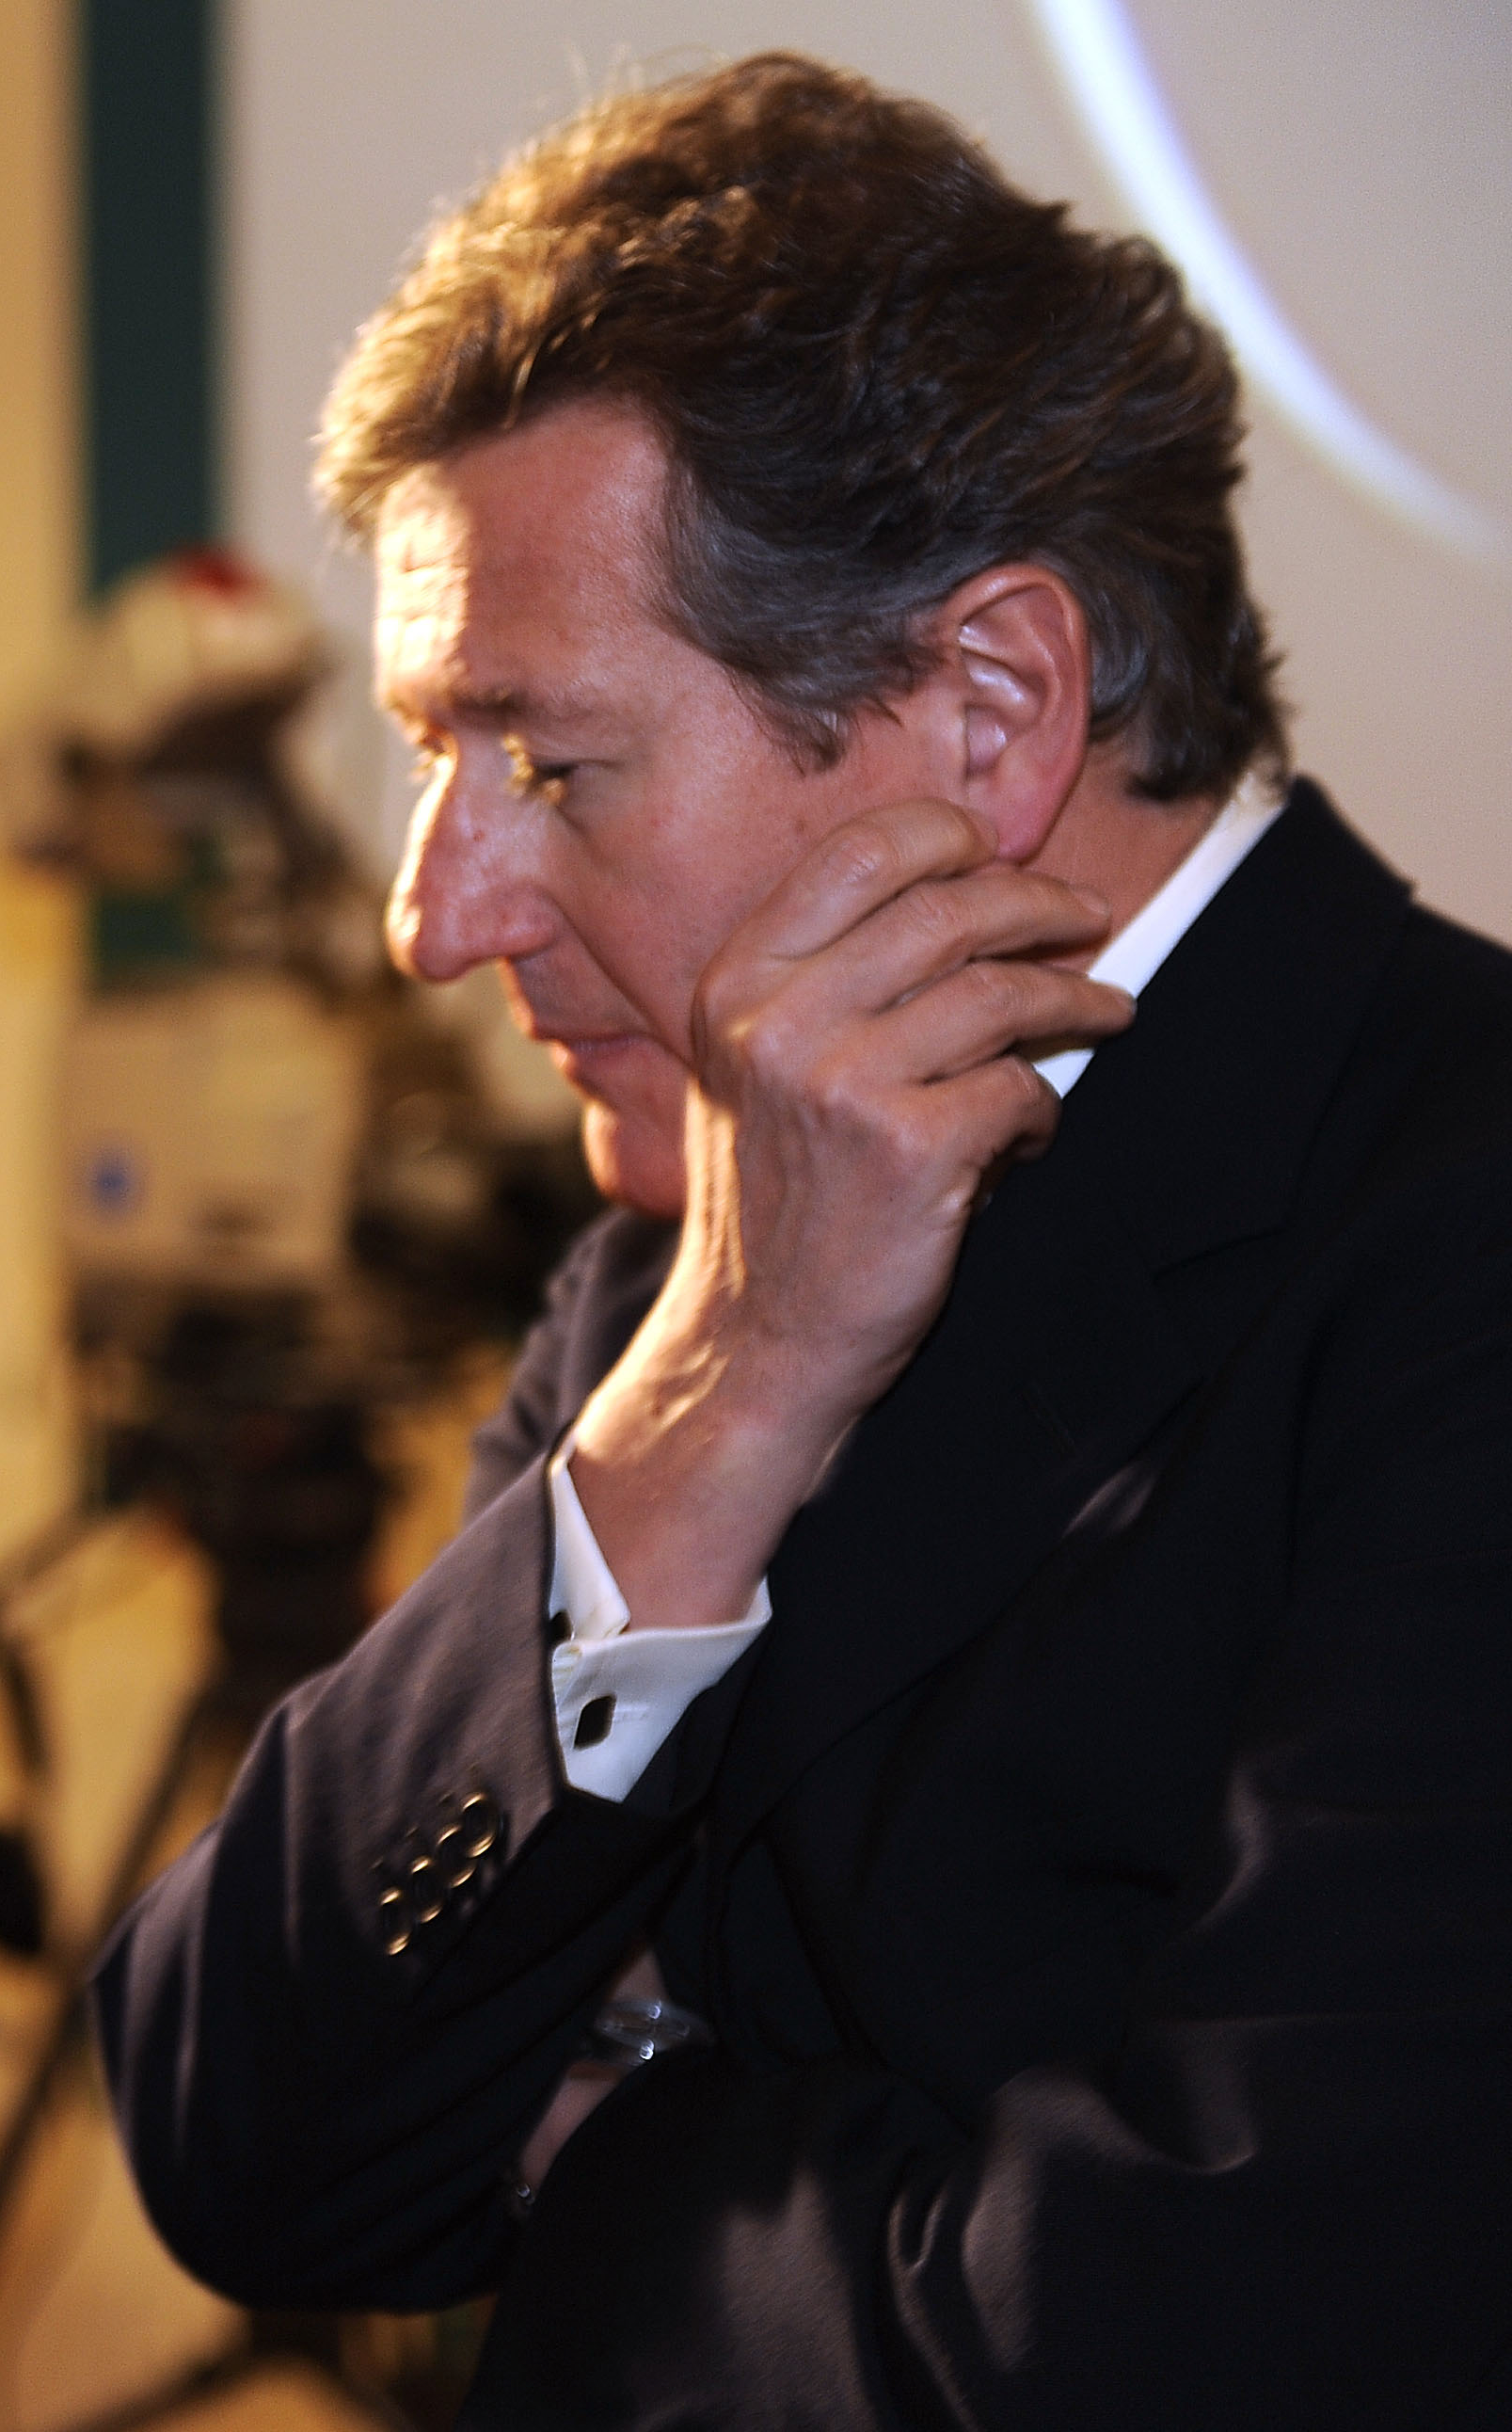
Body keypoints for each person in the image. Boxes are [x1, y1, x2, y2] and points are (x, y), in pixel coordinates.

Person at [93, 56, 1512, 2425]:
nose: (428, 912)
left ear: (988, 705)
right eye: (428, 764)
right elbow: (247, 2145)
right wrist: (725, 1388)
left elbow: (1219, 2336)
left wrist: (621, 2132)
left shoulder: (1454, 1229)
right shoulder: (681, 1260)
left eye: (545, 761)